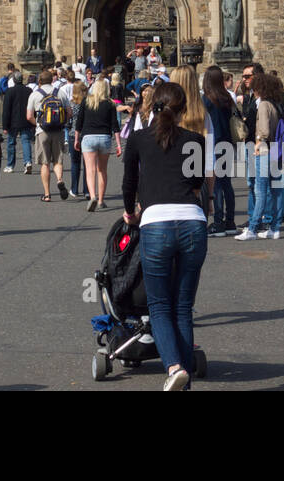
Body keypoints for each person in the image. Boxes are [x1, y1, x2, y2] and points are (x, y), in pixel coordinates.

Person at [122, 82, 213, 391]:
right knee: (183, 307)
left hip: (156, 222)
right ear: (183, 110)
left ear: (152, 106)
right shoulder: (195, 141)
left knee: (159, 306)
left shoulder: (137, 139)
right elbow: (198, 184)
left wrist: (129, 211)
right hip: (192, 222)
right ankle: (182, 381)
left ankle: (174, 367)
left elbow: (129, 182)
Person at [235, 71, 284, 241]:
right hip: (277, 150)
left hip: (264, 150)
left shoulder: (263, 105)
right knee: (276, 190)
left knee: (260, 190)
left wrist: (257, 141)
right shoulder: (276, 104)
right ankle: (275, 228)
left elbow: (263, 130)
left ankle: (253, 228)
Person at [201, 65, 239, 237]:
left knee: (215, 184)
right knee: (226, 183)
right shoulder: (227, 98)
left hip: (213, 143)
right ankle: (230, 221)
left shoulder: (207, 99)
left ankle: (218, 222)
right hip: (227, 142)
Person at [75, 77, 122, 212]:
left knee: (90, 170)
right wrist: (119, 145)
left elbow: (79, 122)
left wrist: (77, 139)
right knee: (102, 170)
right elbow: (115, 126)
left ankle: (93, 196)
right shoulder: (110, 103)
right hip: (104, 137)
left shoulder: (86, 101)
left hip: (88, 137)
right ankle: (101, 200)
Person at [27, 69, 70, 201]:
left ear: (39, 81)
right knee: (57, 160)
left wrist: (38, 124)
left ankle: (47, 194)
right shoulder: (60, 93)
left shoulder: (34, 95)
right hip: (58, 131)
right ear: (52, 80)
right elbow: (69, 113)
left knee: (45, 163)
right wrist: (62, 123)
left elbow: (29, 116)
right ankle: (59, 179)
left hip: (42, 131)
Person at [1, 70, 33, 173]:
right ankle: (27, 162)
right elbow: (32, 107)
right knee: (26, 141)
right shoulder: (28, 91)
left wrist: (5, 126)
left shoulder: (9, 91)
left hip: (13, 122)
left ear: (14, 80)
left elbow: (6, 110)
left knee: (11, 143)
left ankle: (10, 165)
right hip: (25, 120)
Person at [66, 79, 88, 199]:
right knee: (87, 164)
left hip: (73, 134)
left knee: (75, 163)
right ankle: (86, 189)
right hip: (86, 134)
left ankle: (74, 189)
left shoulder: (72, 104)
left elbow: (68, 121)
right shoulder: (88, 103)